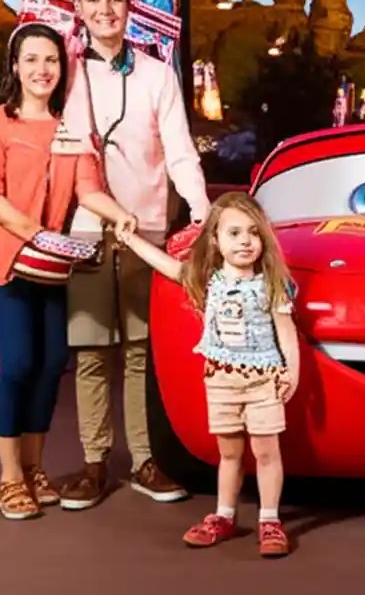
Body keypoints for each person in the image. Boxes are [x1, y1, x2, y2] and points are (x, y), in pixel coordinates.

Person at [56, 0, 212, 510]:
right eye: (93, 0)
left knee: (143, 351)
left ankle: (145, 459)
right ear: (79, 7)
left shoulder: (155, 73)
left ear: (129, 6)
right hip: (85, 230)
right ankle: (95, 462)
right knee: (93, 352)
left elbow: (179, 151)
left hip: (146, 229)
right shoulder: (66, 73)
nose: (105, 10)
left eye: (115, 0)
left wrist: (201, 214)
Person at [0, 22, 139, 520]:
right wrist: (33, 231)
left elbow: (87, 190)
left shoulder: (71, 129)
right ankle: (9, 478)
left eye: (51, 60)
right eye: (31, 60)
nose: (42, 69)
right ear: (15, 67)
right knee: (19, 363)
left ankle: (35, 469)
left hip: (51, 268)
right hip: (7, 260)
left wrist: (118, 213)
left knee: (50, 366)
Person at [118, 190, 299, 557]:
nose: (246, 241)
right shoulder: (207, 281)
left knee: (266, 451)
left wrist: (290, 371)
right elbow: (165, 265)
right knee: (229, 453)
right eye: (234, 233)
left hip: (264, 379)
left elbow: (285, 329)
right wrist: (129, 238)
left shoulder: (272, 283)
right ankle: (224, 515)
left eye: (253, 232)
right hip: (221, 380)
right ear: (215, 240)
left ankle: (269, 520)